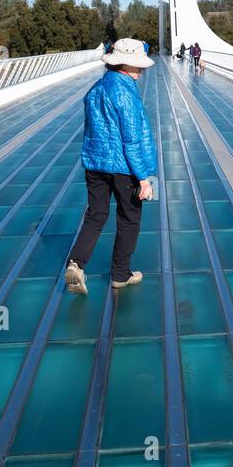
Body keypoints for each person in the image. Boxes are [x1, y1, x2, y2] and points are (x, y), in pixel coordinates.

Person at [64, 38, 157, 295]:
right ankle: (120, 274)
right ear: (127, 65)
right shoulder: (125, 93)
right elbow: (131, 139)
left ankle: (76, 263)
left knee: (96, 215)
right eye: (139, 66)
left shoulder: (96, 88)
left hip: (95, 165)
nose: (143, 70)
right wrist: (143, 178)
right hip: (123, 168)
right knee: (129, 219)